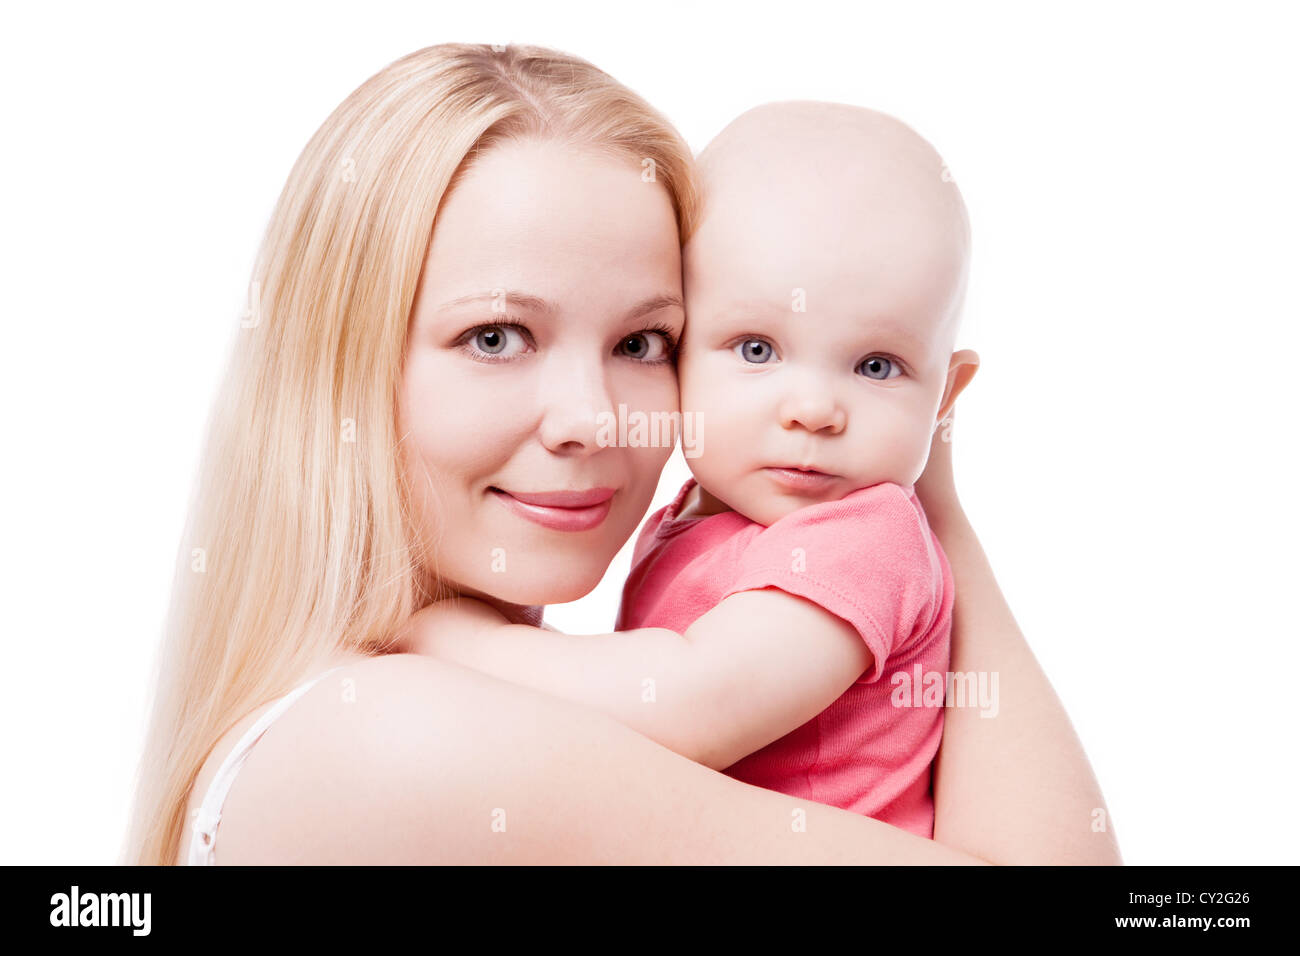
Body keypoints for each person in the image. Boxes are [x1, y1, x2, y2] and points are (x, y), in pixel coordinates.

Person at [123, 42, 1120, 865]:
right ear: (340, 359)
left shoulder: (420, 703)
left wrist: (904, 462)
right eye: (496, 336)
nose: (593, 418)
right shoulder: (390, 733)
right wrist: (918, 468)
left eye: (642, 341)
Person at [404, 101, 980, 840]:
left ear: (945, 396)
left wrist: (454, 639)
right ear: (682, 346)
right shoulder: (691, 517)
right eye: (756, 349)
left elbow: (688, 707)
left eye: (877, 366)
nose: (812, 409)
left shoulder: (865, 539)